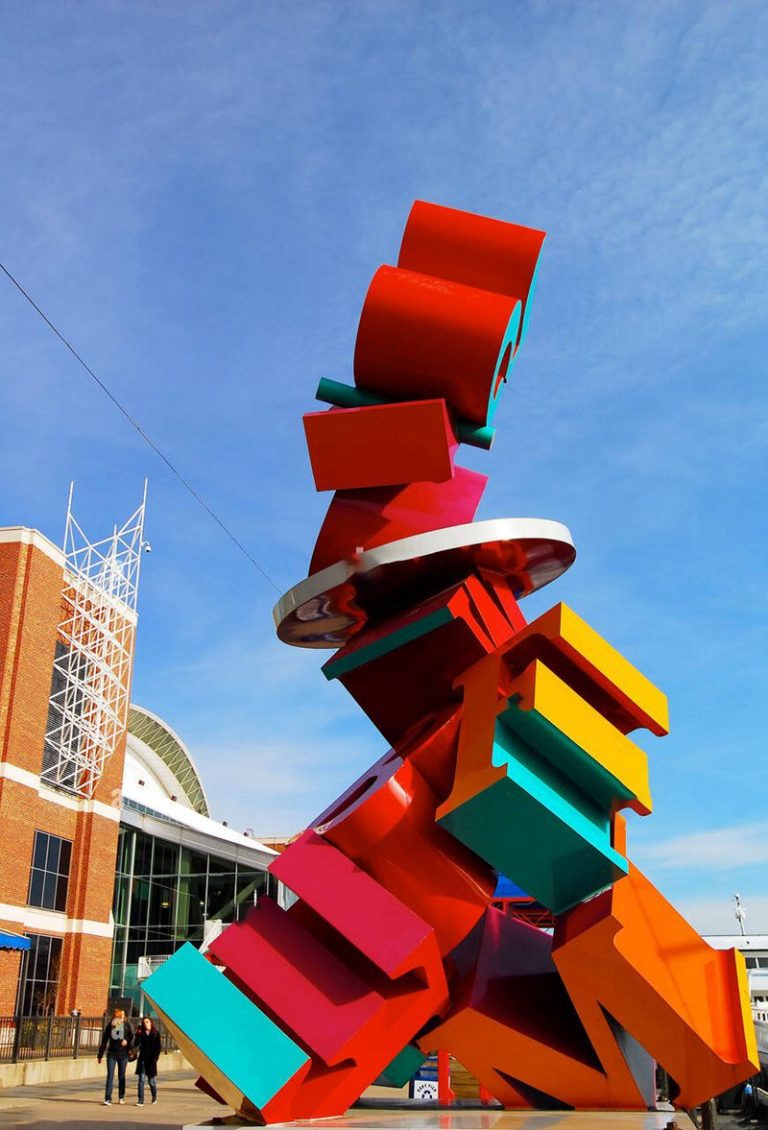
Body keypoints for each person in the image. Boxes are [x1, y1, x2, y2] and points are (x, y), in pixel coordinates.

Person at [97, 1008, 134, 1106]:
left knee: (122, 1076)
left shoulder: (126, 1025)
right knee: (110, 1076)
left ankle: (121, 1096)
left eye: (123, 1016)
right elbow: (104, 1041)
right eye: (121, 1016)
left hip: (123, 1054)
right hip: (112, 1054)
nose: (123, 1018)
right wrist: (100, 1055)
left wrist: (126, 1040)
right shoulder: (110, 1026)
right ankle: (108, 1098)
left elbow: (131, 1036)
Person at [133, 1015, 162, 1106]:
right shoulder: (141, 1033)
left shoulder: (155, 1033)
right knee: (141, 1079)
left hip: (151, 1060)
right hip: (143, 1059)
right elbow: (136, 1044)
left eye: (147, 1022)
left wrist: (155, 1058)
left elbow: (158, 1047)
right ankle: (140, 1099)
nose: (145, 1024)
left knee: (151, 1081)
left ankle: (154, 1095)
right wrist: (138, 1034)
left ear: (150, 1023)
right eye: (144, 1022)